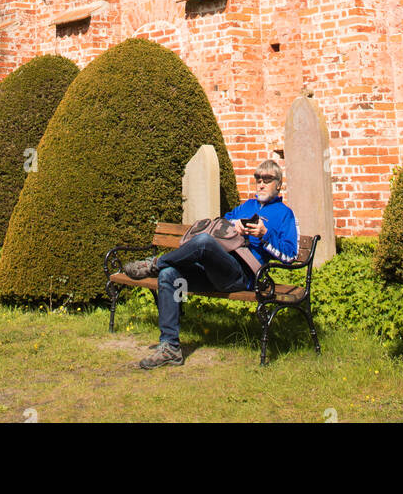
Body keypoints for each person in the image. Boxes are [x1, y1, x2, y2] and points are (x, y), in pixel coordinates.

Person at [123, 158, 299, 370]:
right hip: (213, 271)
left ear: (278, 184)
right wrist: (234, 225)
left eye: (267, 179)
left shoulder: (284, 214)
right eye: (258, 179)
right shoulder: (247, 206)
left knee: (204, 243)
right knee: (169, 274)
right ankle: (170, 347)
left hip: (241, 276)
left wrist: (264, 235)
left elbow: (290, 256)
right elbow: (221, 223)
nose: (261, 184)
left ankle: (155, 263)